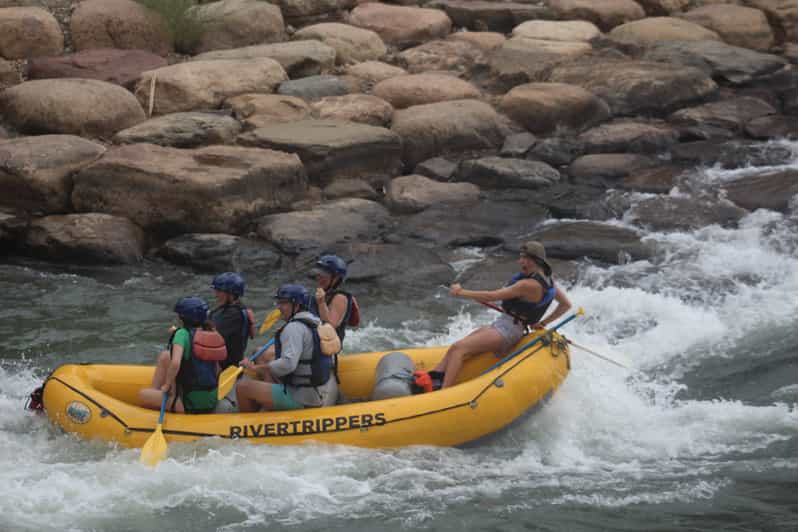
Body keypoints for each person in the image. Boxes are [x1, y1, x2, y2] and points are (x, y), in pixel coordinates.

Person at [431, 241, 572, 389]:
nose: (520, 261)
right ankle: (433, 377)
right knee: (455, 348)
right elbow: (565, 305)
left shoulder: (528, 285)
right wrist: (543, 323)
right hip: (506, 325)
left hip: (508, 331)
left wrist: (461, 292)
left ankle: (443, 390)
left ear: (534, 260)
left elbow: (491, 296)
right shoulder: (549, 281)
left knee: (460, 349)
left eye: (524, 258)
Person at [236, 284, 338, 412]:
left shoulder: (293, 328)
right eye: (278, 302)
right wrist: (264, 368)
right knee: (265, 364)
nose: (279, 307)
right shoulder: (314, 320)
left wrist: (255, 368)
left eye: (283, 303)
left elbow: (288, 364)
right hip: (315, 390)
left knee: (242, 387)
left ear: (296, 305)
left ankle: (248, 426)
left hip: (301, 397)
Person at [139, 296, 226, 414]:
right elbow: (217, 370)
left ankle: (157, 404)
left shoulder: (182, 334)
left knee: (143, 395)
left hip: (188, 403)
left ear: (182, 318)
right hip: (211, 400)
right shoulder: (210, 332)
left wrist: (167, 384)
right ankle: (158, 394)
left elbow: (175, 363)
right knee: (166, 355)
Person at [308, 254, 359, 344]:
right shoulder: (323, 295)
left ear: (336, 278)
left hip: (327, 350)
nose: (318, 277)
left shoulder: (340, 298)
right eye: (318, 274)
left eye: (323, 274)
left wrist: (321, 303)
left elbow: (330, 326)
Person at [209, 272, 254, 370]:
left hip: (225, 367)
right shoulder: (230, 309)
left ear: (231, 294)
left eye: (219, 291)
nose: (216, 294)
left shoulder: (234, 314)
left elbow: (210, 337)